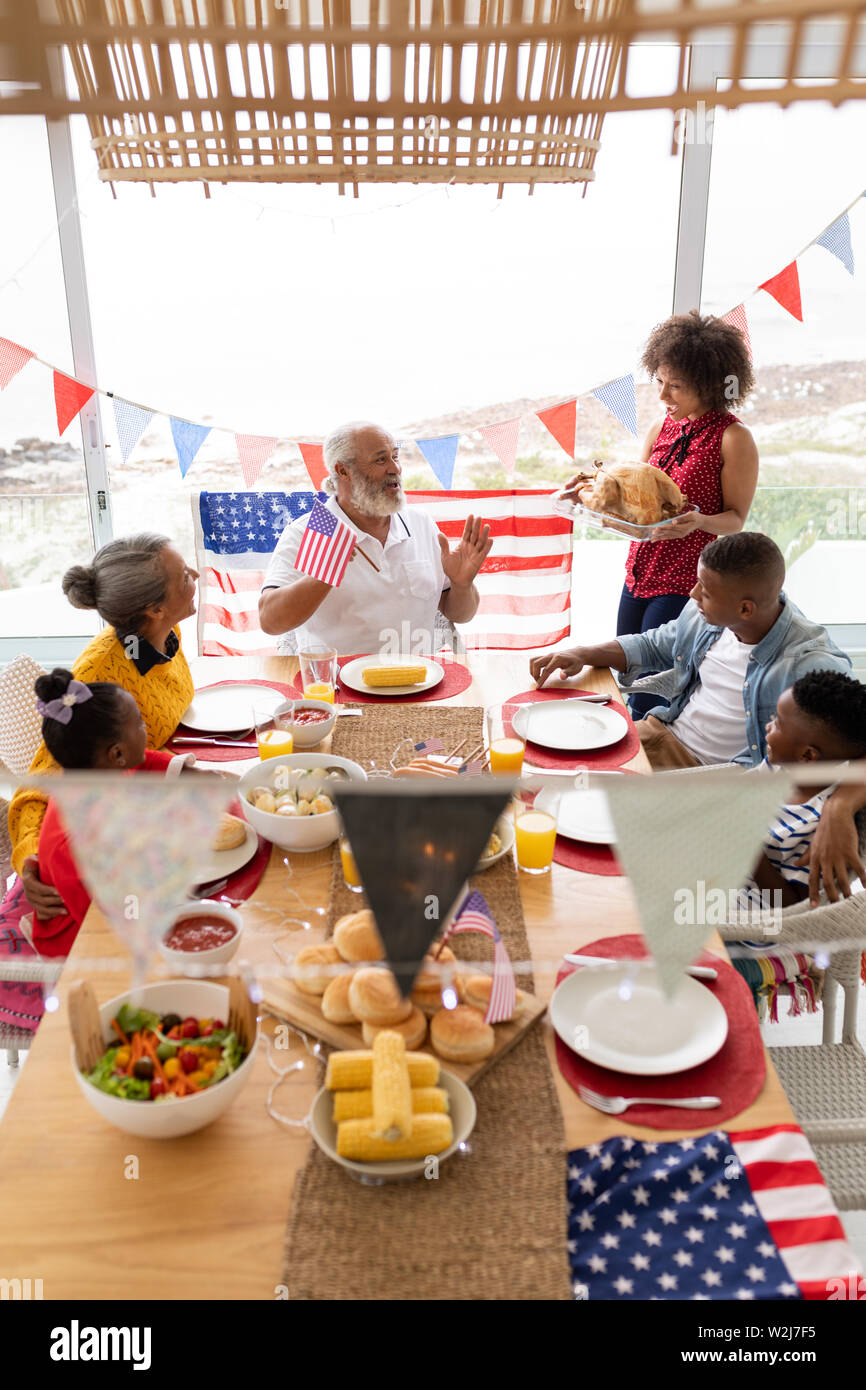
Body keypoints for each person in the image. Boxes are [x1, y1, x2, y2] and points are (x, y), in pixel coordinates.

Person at [562, 311, 759, 717]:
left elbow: (736, 518)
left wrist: (701, 521)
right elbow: (636, 505)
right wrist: (587, 496)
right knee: (626, 677)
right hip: (637, 572)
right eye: (660, 382)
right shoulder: (660, 429)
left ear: (709, 386)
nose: (663, 396)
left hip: (684, 581)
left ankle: (643, 766)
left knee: (651, 694)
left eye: (677, 387)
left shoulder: (734, 438)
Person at [529, 532, 851, 769]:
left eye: (705, 591)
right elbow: (655, 644)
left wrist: (841, 806)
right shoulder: (706, 615)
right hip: (664, 731)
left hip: (713, 775)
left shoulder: (809, 662)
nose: (692, 593)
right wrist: (581, 653)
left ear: (745, 610)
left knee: (593, 795)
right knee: (557, 755)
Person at [7, 534, 198, 918]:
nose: (195, 574)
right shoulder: (100, 675)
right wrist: (30, 860)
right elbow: (41, 783)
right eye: (183, 578)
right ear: (155, 609)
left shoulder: (166, 636)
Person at [0, 671, 200, 1031]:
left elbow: (146, 760)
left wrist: (188, 775)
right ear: (117, 753)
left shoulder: (102, 769)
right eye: (139, 723)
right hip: (80, 939)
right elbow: (108, 922)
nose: (145, 728)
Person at [259, 421, 492, 654]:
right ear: (343, 471)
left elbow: (462, 614)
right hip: (337, 685)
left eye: (395, 457)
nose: (395, 469)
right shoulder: (310, 531)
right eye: (381, 460)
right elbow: (269, 621)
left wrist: (462, 585)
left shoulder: (421, 523)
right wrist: (323, 575)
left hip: (419, 681)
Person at [731, 671, 866, 1019]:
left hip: (756, 930)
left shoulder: (814, 822)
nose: (767, 727)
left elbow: (796, 907)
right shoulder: (779, 767)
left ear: (807, 755)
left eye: (777, 722)